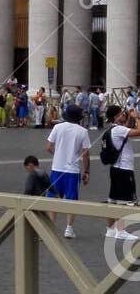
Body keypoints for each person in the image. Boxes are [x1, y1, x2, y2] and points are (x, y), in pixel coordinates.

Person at [45, 102, 91, 238]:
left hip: (57, 168)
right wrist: (87, 171)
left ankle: (50, 227)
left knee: (53, 198)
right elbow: (86, 154)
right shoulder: (83, 131)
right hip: (73, 171)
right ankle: (69, 228)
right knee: (71, 200)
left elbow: (48, 147)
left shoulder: (57, 127)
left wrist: (58, 155)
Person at [101, 103, 140, 241]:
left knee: (113, 199)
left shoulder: (114, 129)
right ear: (116, 116)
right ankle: (121, 230)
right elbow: (137, 131)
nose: (124, 114)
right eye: (122, 113)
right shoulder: (118, 130)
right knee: (126, 201)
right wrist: (137, 117)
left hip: (116, 168)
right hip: (124, 169)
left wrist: (130, 117)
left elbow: (128, 128)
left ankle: (111, 229)